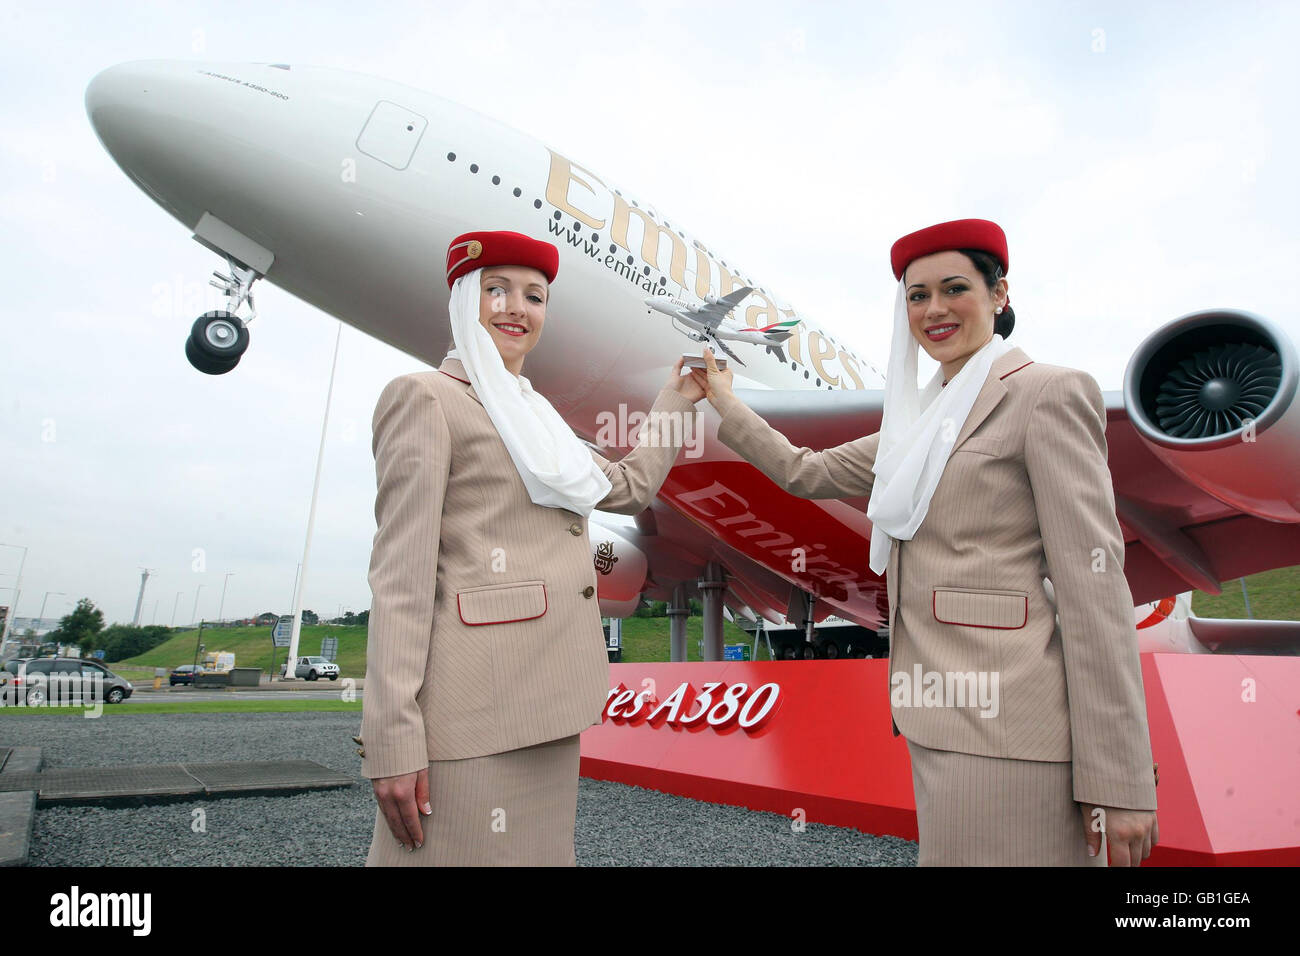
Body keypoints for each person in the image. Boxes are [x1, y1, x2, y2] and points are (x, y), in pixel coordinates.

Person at [690, 218, 1158, 866]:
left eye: (954, 288)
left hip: (1012, 726)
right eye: (917, 295)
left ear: (1000, 295)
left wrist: (1121, 783)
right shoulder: (916, 423)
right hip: (934, 715)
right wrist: (722, 400)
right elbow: (808, 472)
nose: (934, 309)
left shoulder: (1047, 395)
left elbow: (1095, 591)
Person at [357, 229, 703, 865]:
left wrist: (678, 398)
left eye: (535, 296)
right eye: (497, 290)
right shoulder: (424, 398)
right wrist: (391, 738)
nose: (517, 307)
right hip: (468, 713)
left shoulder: (536, 416)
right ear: (465, 301)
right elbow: (400, 580)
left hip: (548, 702)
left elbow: (623, 488)